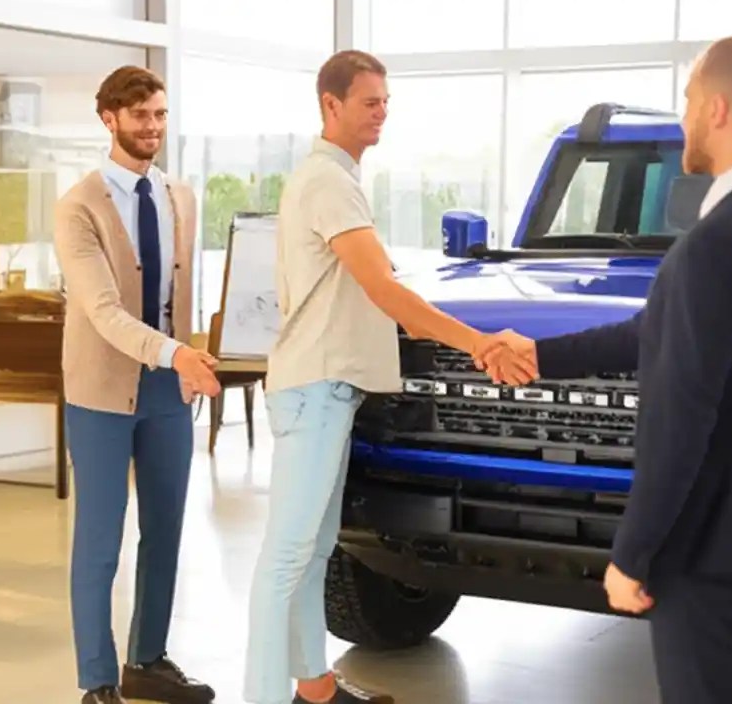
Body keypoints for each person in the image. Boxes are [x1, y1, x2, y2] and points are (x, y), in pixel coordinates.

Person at [482, 34, 732, 703]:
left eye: (691, 99)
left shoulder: (717, 243)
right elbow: (658, 332)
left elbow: (682, 417)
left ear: (719, 109)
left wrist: (632, 553)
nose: (685, 117)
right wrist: (542, 354)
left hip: (714, 542)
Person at [242, 50, 534, 704]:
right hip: (314, 391)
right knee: (286, 561)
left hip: (327, 390)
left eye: (386, 102)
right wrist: (478, 342)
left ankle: (314, 690)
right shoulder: (328, 182)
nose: (382, 113)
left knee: (313, 553)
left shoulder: (334, 178)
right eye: (370, 101)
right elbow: (385, 291)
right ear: (331, 104)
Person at [54, 65, 222, 704]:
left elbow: (181, 292)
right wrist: (178, 353)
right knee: (100, 539)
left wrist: (197, 354)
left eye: (159, 115)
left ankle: (147, 660)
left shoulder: (181, 196)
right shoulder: (78, 208)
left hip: (167, 389)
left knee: (167, 528)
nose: (152, 127)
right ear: (109, 119)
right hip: (101, 389)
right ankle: (97, 681)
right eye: (139, 116)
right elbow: (102, 311)